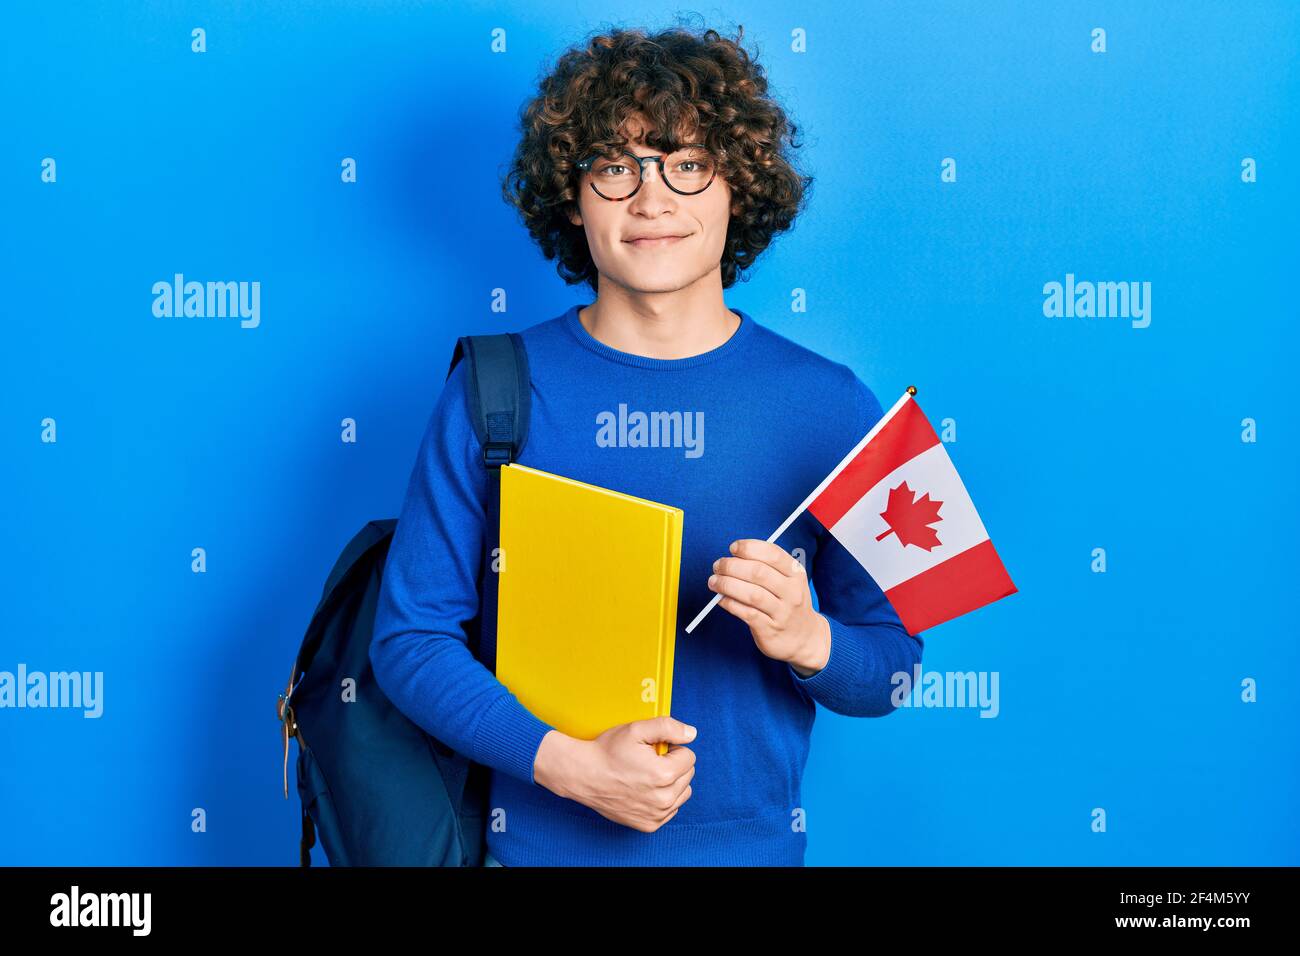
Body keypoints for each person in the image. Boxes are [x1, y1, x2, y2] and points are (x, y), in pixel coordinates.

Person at [370, 24, 923, 867]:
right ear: (573, 195)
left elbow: (895, 668)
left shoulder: (833, 405)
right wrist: (567, 768)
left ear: (739, 186)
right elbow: (410, 641)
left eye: (687, 164)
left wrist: (810, 638)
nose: (652, 199)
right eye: (615, 167)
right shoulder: (490, 389)